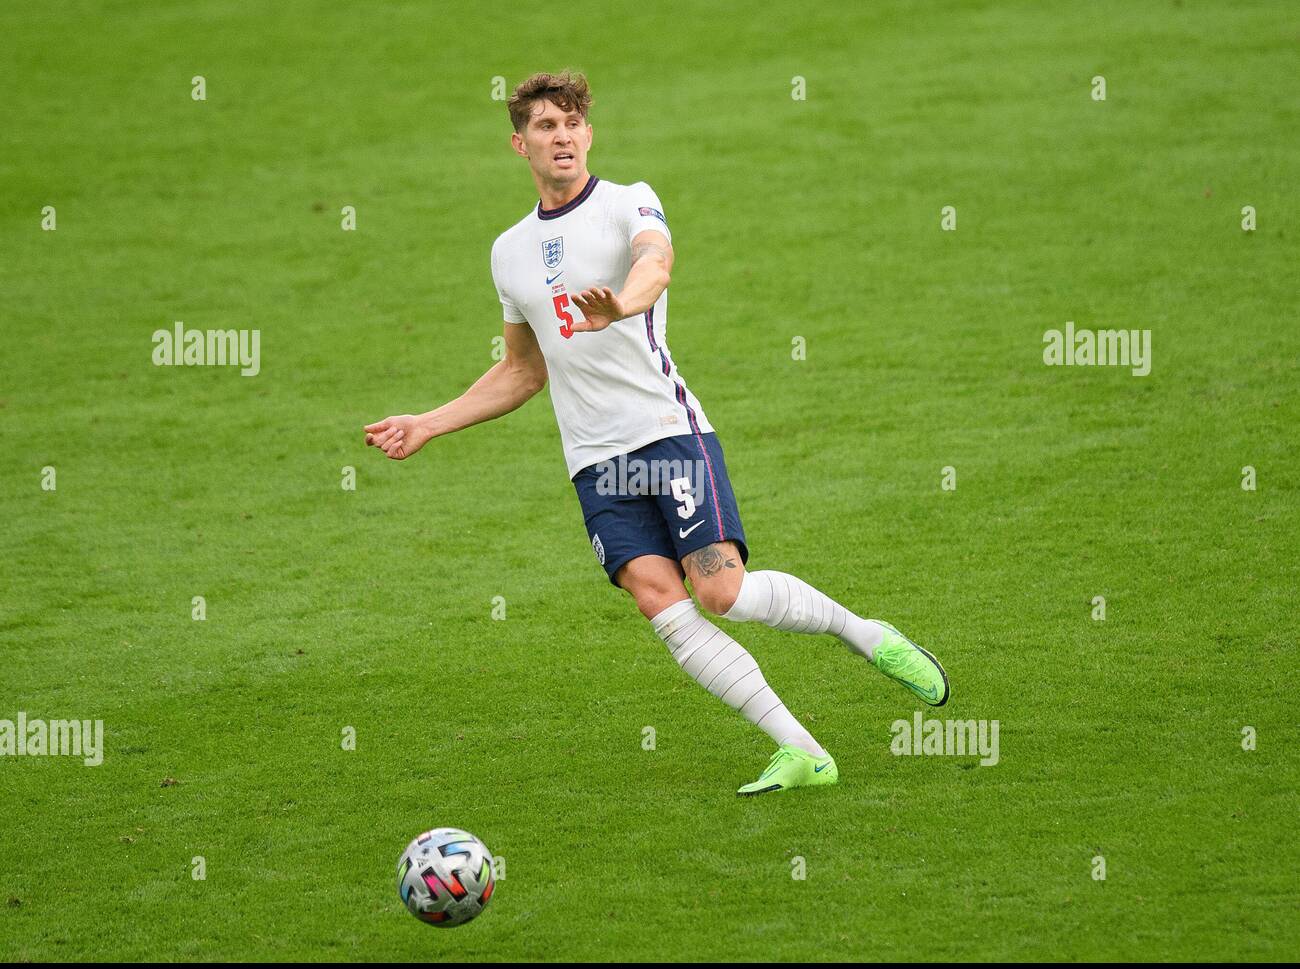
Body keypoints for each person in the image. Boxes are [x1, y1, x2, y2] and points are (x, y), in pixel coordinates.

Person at [364, 70, 949, 796]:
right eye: (546, 126)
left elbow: (656, 263)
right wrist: (428, 422)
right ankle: (803, 751)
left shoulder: (628, 200)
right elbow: (521, 371)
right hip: (594, 460)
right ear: (521, 145)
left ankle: (868, 635)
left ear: (589, 133)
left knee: (721, 592)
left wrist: (620, 308)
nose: (564, 136)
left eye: (574, 122)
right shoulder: (508, 252)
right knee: (656, 599)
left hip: (667, 432)